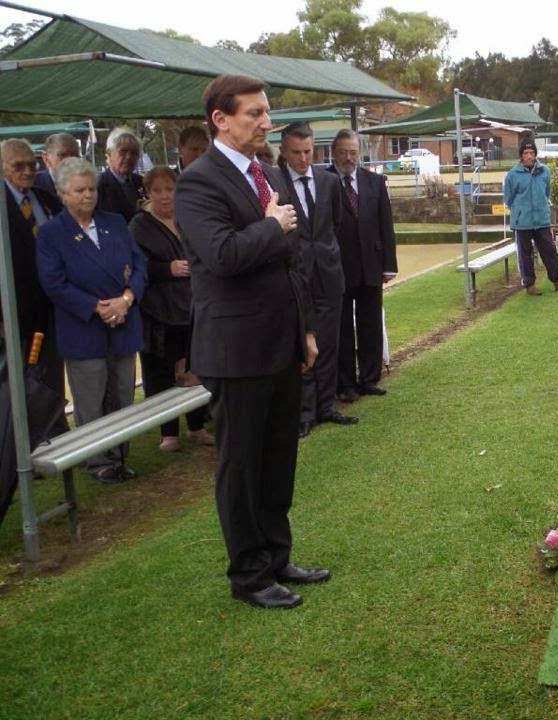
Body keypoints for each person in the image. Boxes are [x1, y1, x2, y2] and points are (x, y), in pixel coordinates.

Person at [175, 74, 328, 610]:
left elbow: (292, 263)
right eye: (254, 113)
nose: (266, 121)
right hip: (236, 351)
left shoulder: (265, 173)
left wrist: (304, 329)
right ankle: (249, 575)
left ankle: (277, 556)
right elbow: (221, 255)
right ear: (220, 118)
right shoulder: (198, 182)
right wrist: (269, 223)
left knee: (277, 458)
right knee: (241, 467)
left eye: (266, 111)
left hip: (280, 342)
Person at [36, 157, 146, 484]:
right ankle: (97, 461)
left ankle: (120, 454)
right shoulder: (51, 234)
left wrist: (125, 300)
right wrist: (98, 307)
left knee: (123, 393)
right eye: (79, 190)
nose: (88, 195)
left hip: (123, 323)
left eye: (92, 189)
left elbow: (139, 267)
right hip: (84, 331)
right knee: (90, 399)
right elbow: (53, 283)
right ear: (62, 193)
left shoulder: (114, 222)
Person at [277, 122, 356, 435]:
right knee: (301, 346)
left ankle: (326, 406)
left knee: (329, 343)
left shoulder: (328, 182)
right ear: (283, 151)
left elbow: (334, 224)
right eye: (296, 152)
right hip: (295, 278)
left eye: (308, 151)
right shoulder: (274, 183)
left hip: (328, 274)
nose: (303, 158)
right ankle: (304, 412)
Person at [129, 166, 214, 452]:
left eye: (170, 189)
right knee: (160, 373)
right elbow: (135, 267)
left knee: (195, 366)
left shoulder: (186, 219)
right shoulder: (139, 225)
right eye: (158, 190)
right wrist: (167, 268)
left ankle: (197, 425)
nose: (165, 196)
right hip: (159, 312)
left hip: (192, 306)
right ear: (148, 193)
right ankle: (168, 433)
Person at [328, 128, 397, 403]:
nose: (348, 158)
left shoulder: (374, 182)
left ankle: (369, 378)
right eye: (343, 152)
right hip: (339, 268)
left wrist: (388, 265)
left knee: (370, 324)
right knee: (342, 329)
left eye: (353, 152)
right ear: (334, 153)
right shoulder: (324, 182)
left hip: (371, 264)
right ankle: (345, 383)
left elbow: (386, 225)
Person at [2, 138, 67, 429]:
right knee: (18, 380)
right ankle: (20, 444)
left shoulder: (46, 199)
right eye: (19, 166)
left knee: (51, 374)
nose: (28, 171)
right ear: (3, 167)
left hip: (52, 308)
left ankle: (53, 430)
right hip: (14, 312)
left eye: (32, 164)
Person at [503, 137, 558, 296]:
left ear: (535, 154)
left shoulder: (544, 171)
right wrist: (520, 210)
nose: (529, 156)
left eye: (531, 152)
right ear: (521, 156)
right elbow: (508, 199)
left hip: (541, 219)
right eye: (525, 153)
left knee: (550, 251)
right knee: (525, 254)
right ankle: (529, 284)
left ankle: (557, 280)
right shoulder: (512, 175)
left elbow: (547, 192)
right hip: (522, 222)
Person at [97, 126, 145, 222]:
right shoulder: (98, 186)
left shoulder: (142, 183)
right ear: (109, 153)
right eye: (123, 151)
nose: (128, 157)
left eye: (134, 153)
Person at [36, 132, 80, 198]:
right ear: (46, 158)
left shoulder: (88, 184)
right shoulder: (34, 185)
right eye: (62, 155)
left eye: (74, 156)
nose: (69, 161)